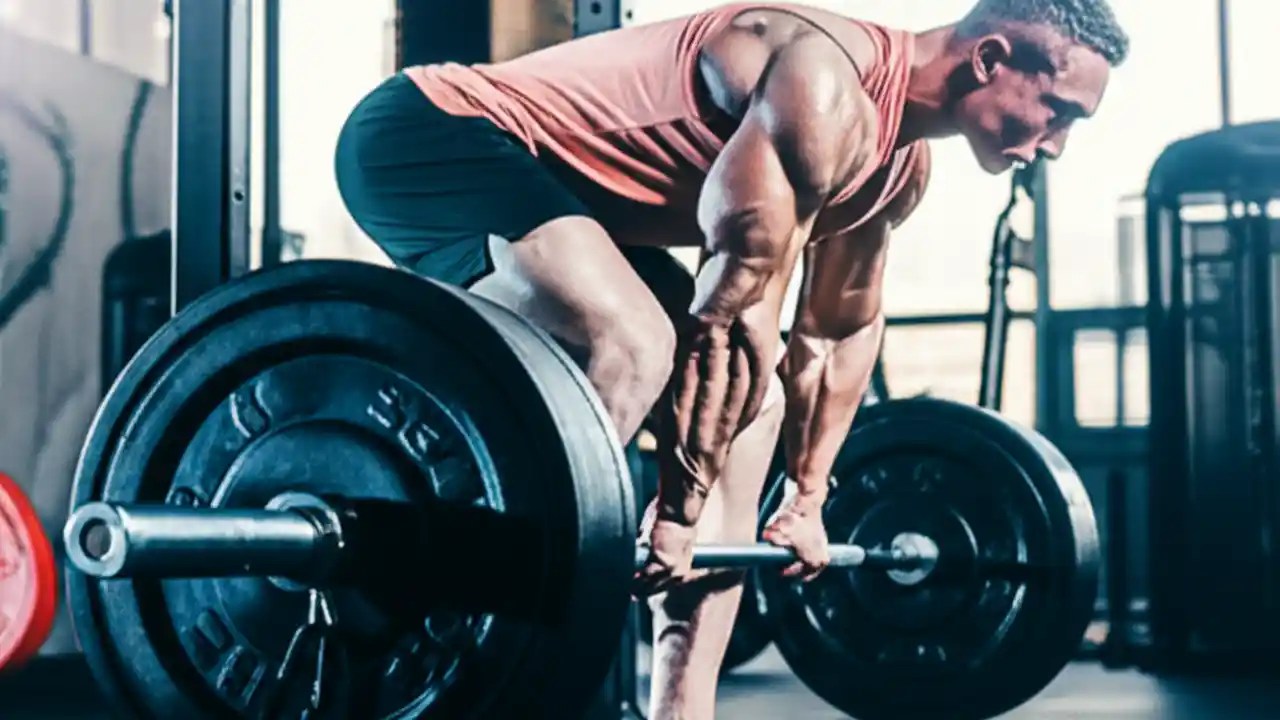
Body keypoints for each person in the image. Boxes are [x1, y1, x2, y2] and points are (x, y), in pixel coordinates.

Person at [334, 0, 1129, 716]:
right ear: (990, 60)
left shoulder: (894, 167)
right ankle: (453, 631)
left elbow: (834, 335)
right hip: (431, 136)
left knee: (756, 413)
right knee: (628, 344)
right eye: (1058, 110)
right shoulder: (819, 84)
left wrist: (806, 499)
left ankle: (683, 710)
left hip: (567, 204)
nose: (1057, 144)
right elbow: (731, 320)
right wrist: (677, 513)